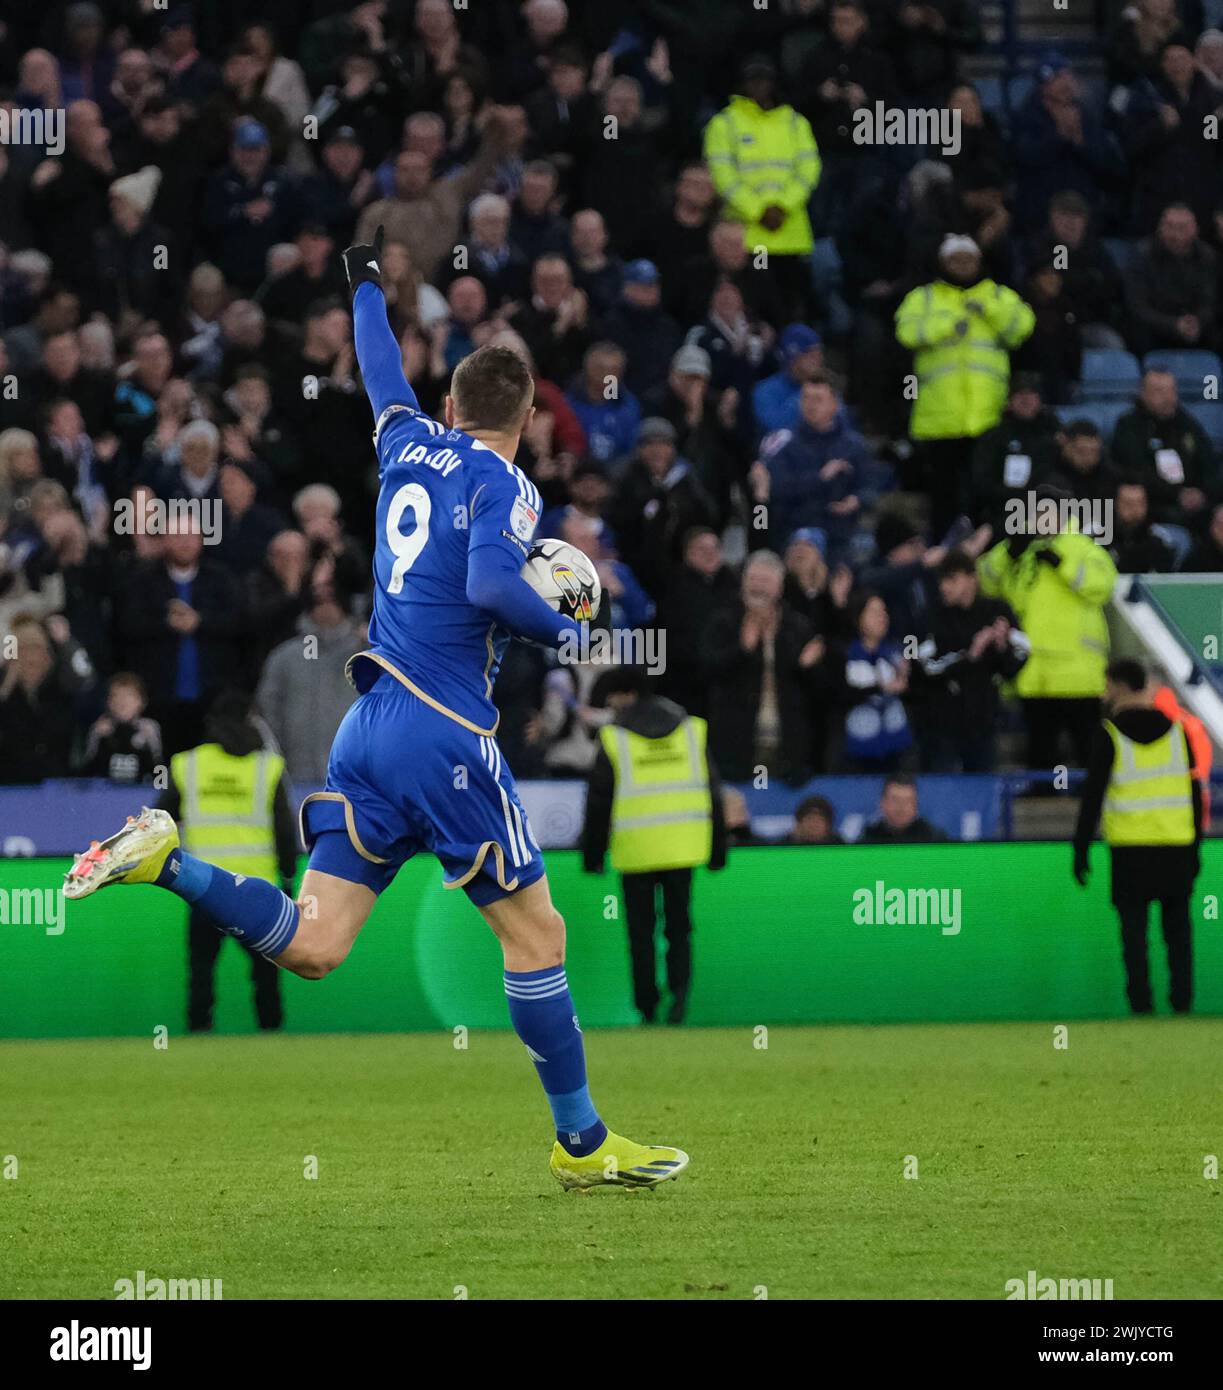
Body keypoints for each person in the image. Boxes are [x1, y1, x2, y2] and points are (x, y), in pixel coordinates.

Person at [65, 226, 688, 1193]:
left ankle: (166, 860)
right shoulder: (504, 484)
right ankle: (581, 1144)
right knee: (539, 939)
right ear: (528, 419)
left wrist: (362, 281)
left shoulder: (407, 442)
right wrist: (564, 631)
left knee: (315, 946)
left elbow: (377, 367)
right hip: (442, 728)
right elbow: (489, 586)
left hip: (369, 724)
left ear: (448, 405)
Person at [580, 668, 727, 1026]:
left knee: (640, 934)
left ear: (625, 695)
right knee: (679, 929)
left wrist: (593, 856)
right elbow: (714, 793)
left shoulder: (615, 738)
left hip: (636, 851)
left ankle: (647, 1006)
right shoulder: (691, 730)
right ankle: (679, 999)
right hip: (683, 848)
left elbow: (599, 802)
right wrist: (718, 849)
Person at [1072, 660, 1201, 1014]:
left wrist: (1081, 850)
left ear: (1119, 685)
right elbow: (1192, 795)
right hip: (1176, 845)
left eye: (1107, 684)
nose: (1103, 692)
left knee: (1134, 933)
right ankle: (1182, 1002)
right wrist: (1196, 848)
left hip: (1131, 849)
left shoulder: (1109, 733)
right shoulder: (1178, 732)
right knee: (1178, 932)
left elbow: (1093, 797)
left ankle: (1141, 1004)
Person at [160, 690, 291, 1033]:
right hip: (257, 890)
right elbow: (285, 829)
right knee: (265, 972)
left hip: (205, 887)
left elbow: (160, 821)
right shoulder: (268, 767)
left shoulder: (187, 765)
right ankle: (272, 1036)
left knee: (201, 970)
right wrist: (290, 877)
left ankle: (199, 1035)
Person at [895, 234, 1036, 534]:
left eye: (968, 259)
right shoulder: (924, 297)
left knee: (984, 493)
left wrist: (989, 309)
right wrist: (947, 325)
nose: (962, 265)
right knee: (943, 497)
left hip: (988, 416)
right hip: (940, 418)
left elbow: (1023, 327)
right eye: (955, 259)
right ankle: (944, 557)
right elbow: (907, 331)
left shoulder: (996, 294)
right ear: (942, 262)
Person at [860, 776, 947, 843]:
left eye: (907, 800)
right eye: (895, 800)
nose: (901, 807)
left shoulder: (933, 839)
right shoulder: (869, 838)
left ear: (916, 805)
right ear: (882, 803)